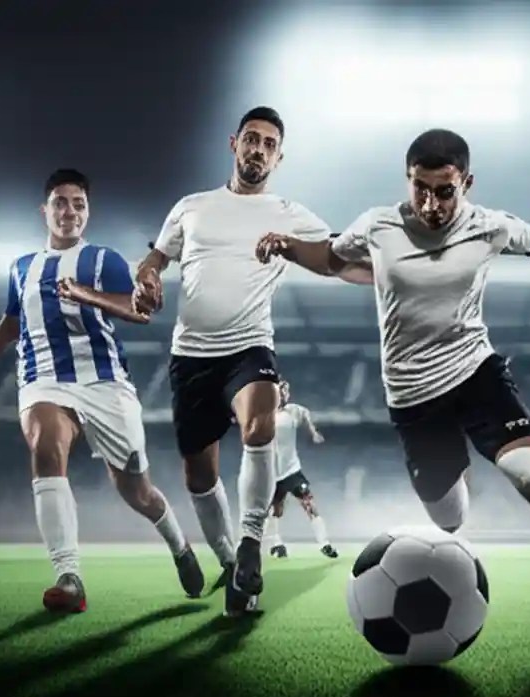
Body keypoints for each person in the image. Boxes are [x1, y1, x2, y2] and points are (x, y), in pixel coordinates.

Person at [256, 128, 530, 635]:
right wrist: (289, 245)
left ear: (466, 182)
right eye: (419, 188)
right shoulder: (378, 224)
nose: (430, 204)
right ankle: (460, 466)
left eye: (444, 190)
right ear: (407, 180)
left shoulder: (489, 226)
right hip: (412, 396)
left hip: (476, 374)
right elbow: (332, 260)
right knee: (448, 519)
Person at [132, 106, 370, 617]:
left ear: (278, 158)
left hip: (250, 347)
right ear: (233, 143)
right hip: (191, 355)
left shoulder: (287, 212)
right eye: (252, 139)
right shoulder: (191, 207)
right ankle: (231, 565)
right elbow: (156, 256)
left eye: (269, 144)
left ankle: (250, 543)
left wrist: (388, 277)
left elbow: (334, 260)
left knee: (260, 425)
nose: (259, 149)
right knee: (198, 474)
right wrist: (148, 276)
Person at [0, 168, 204, 614]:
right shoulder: (21, 268)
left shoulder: (103, 260)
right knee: (45, 445)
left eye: (79, 204)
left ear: (88, 212)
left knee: (136, 491)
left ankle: (180, 545)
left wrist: (86, 295)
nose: (69, 211)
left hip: (104, 381)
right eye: (60, 202)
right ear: (44, 209)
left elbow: (141, 310)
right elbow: (13, 321)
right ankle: (69, 578)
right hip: (42, 377)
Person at [264, 380, 339, 559]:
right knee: (276, 510)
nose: (284, 395)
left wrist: (313, 431)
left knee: (309, 503)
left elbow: (305, 413)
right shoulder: (265, 414)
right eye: (281, 392)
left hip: (292, 471)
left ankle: (324, 543)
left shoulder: (293, 411)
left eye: (286, 392)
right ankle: (276, 544)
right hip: (273, 473)